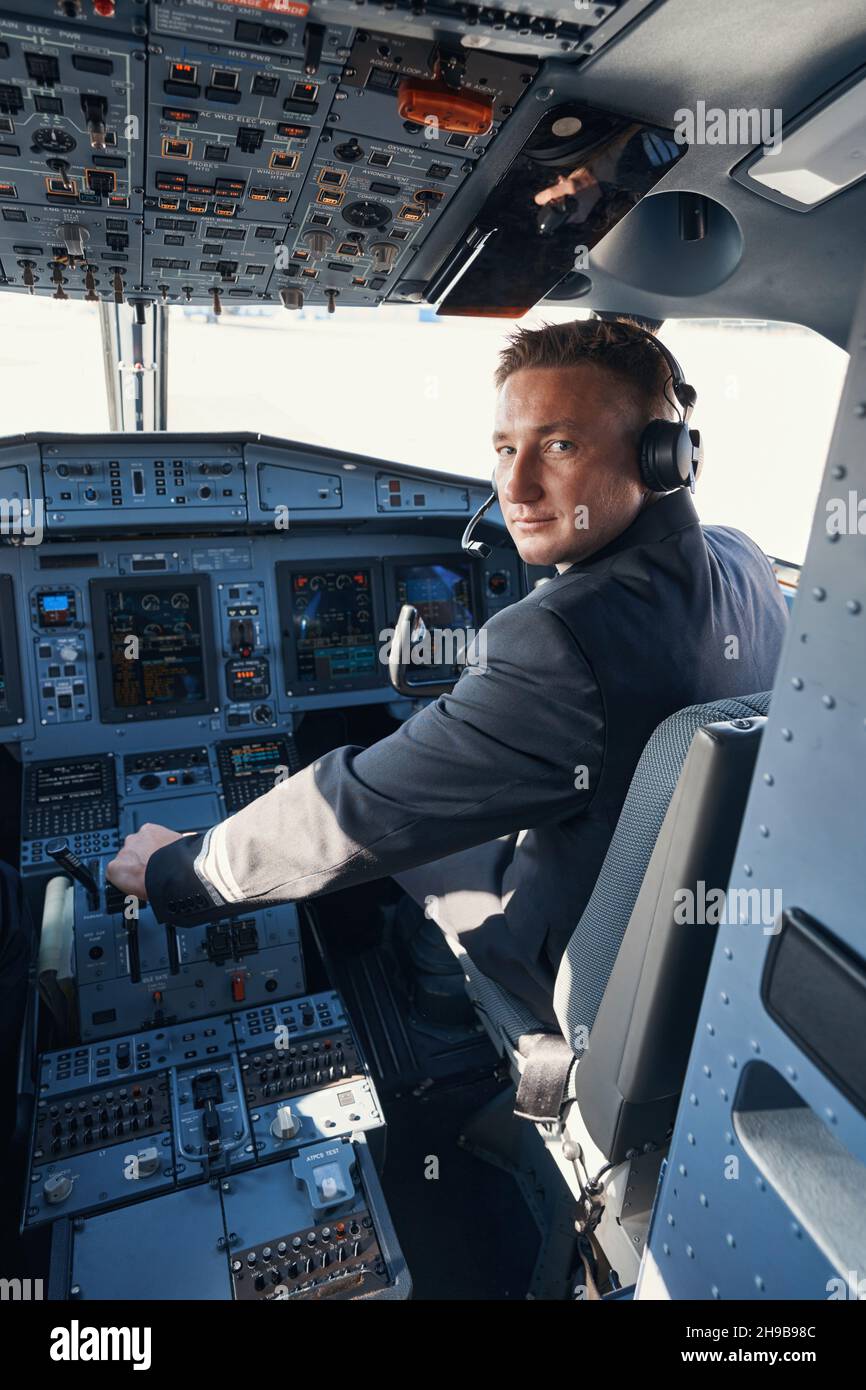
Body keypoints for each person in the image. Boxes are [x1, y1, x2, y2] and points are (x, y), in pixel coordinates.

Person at [106, 317, 788, 1023]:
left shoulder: (556, 640)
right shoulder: (744, 556)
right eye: (504, 448)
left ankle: (429, 992)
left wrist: (179, 869)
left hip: (588, 975)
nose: (517, 488)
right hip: (701, 938)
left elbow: (356, 813)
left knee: (390, 840)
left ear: (661, 459)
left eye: (559, 445)